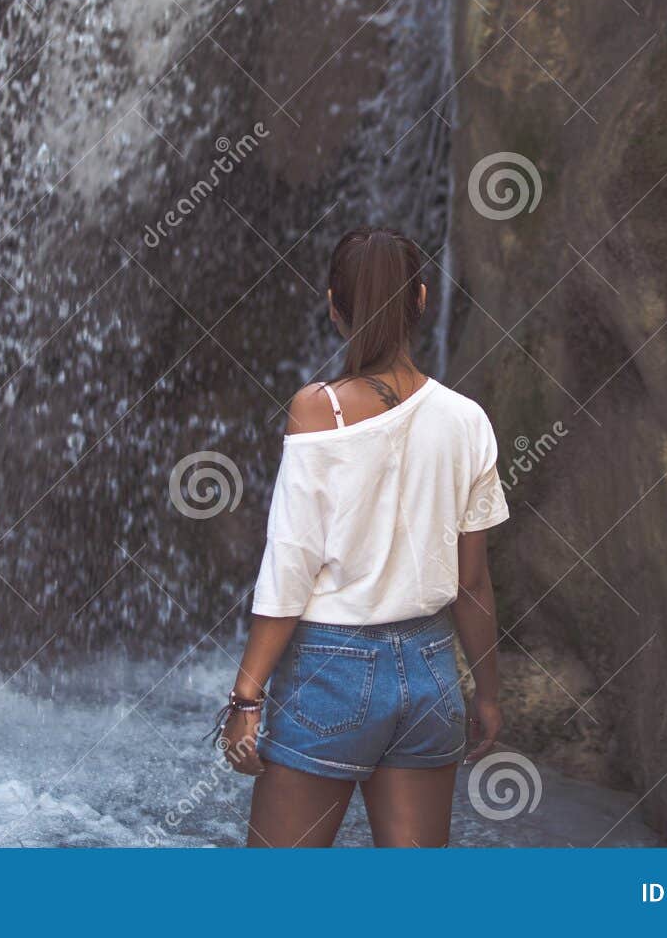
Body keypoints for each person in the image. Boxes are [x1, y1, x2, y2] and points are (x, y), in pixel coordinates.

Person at [211, 227, 509, 847]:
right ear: (422, 300)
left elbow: (290, 567)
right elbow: (472, 581)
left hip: (330, 669)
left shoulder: (319, 408)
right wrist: (487, 690)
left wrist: (246, 697)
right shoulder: (468, 419)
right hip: (431, 671)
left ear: (333, 305)